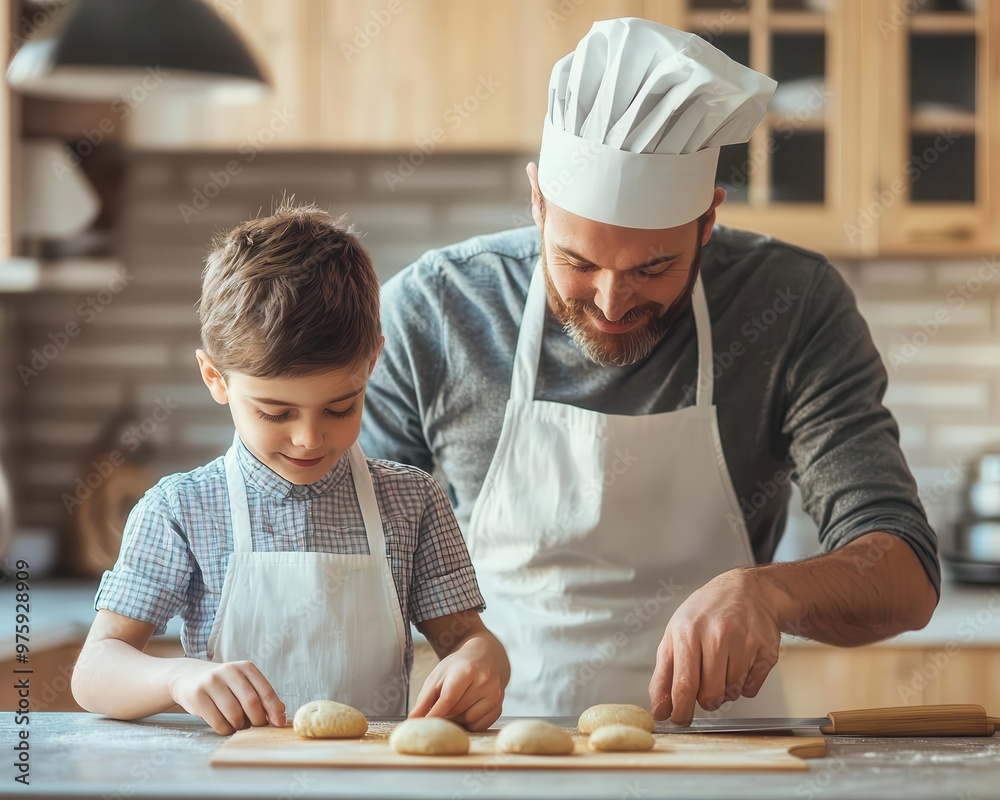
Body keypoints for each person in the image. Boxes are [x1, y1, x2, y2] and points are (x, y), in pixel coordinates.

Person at [360, 18, 940, 722]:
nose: (610, 303)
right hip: (499, 743)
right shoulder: (437, 311)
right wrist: (458, 637)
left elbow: (905, 573)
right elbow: (358, 558)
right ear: (537, 202)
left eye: (653, 268)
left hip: (722, 752)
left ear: (707, 221)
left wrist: (769, 593)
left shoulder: (792, 307)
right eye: (577, 262)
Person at [72, 204, 509, 735]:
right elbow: (94, 671)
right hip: (235, 785)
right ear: (215, 378)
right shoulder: (180, 510)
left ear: (372, 363)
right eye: (275, 412)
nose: (308, 438)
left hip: (374, 783)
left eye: (340, 407)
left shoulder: (412, 500)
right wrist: (176, 679)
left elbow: (468, 638)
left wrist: (482, 662)